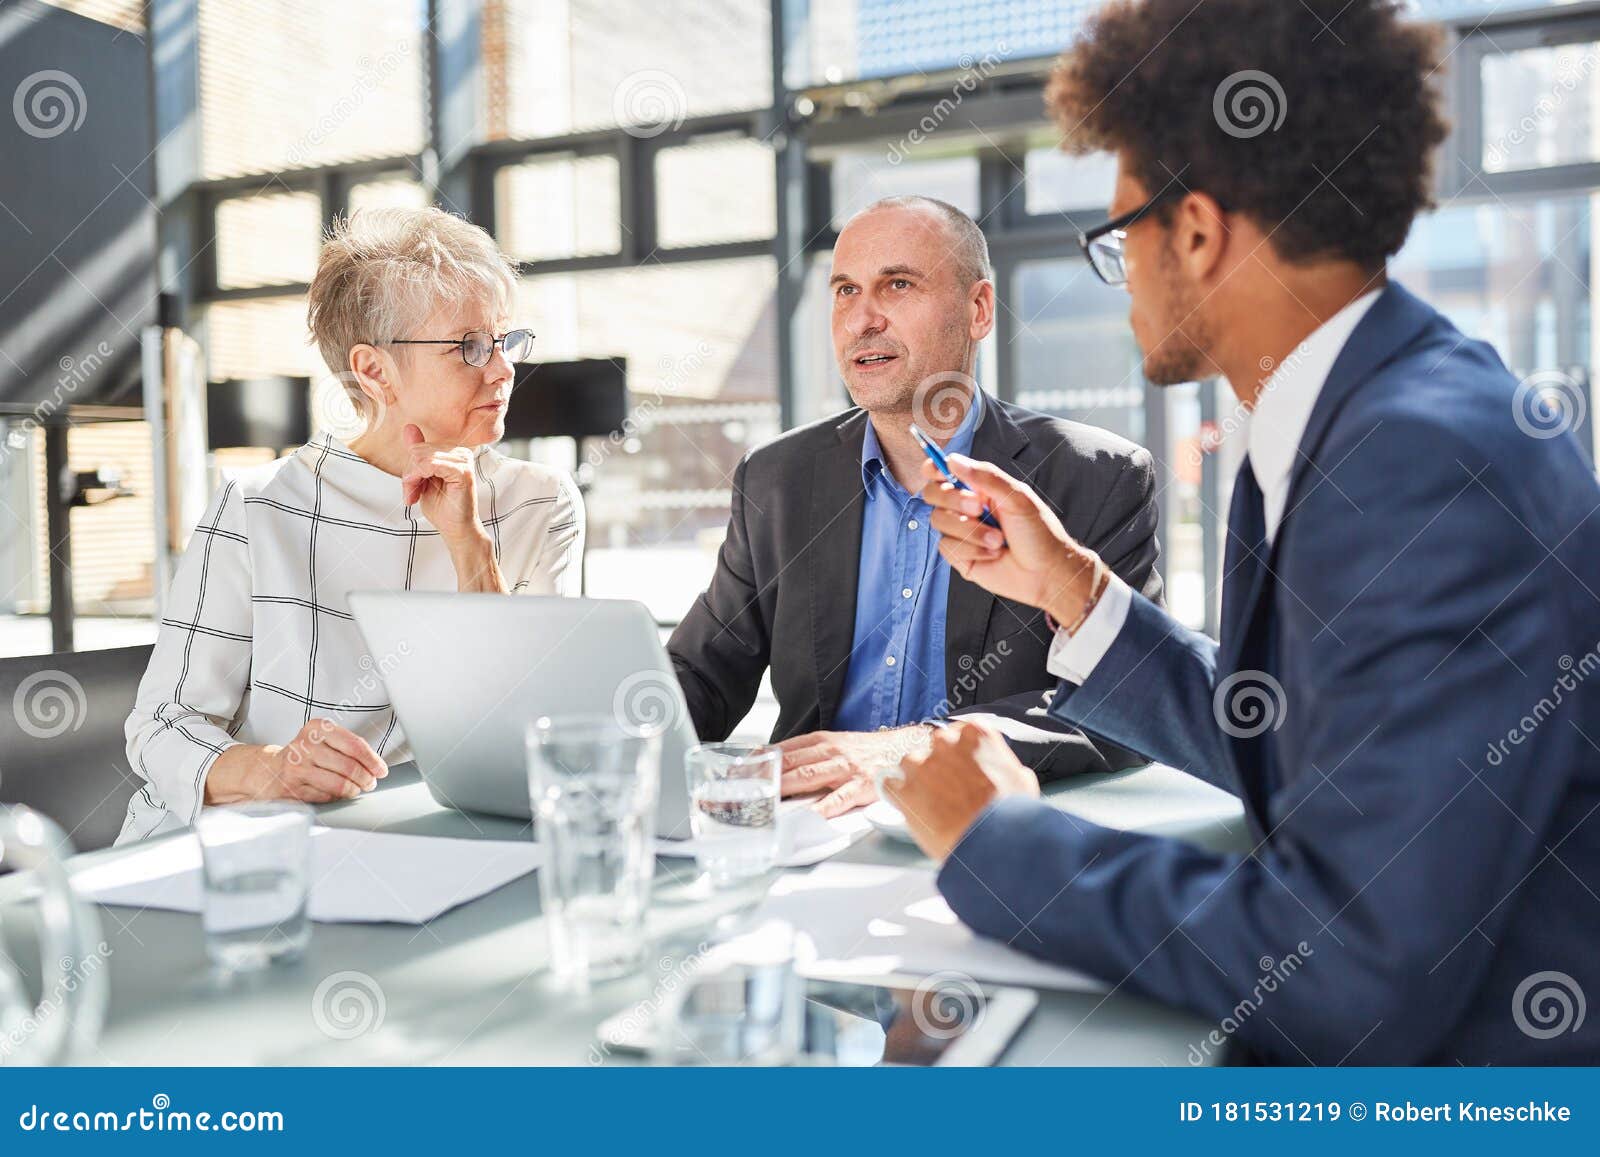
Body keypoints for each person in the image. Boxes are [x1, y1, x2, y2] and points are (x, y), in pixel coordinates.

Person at [888, 0, 1600, 1065]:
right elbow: (1321, 753)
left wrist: (1002, 841)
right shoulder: (1351, 414)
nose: (1120, 271)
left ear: (1197, 229)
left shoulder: (1415, 462)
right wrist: (1074, 588)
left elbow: (1350, 966)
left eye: (1118, 234)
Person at [668, 195, 1163, 818]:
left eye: (897, 285)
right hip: (808, 829)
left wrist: (912, 749)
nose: (862, 319)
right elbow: (704, 673)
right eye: (845, 291)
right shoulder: (776, 478)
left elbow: (1119, 704)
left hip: (993, 831)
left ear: (978, 309)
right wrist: (604, 728)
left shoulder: (1097, 478)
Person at [119, 207, 583, 843]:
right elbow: (161, 727)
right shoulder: (258, 505)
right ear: (373, 371)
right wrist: (272, 770)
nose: (502, 369)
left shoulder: (541, 503)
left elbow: (540, 733)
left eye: (505, 341)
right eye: (471, 347)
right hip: (247, 848)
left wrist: (469, 547)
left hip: (426, 843)